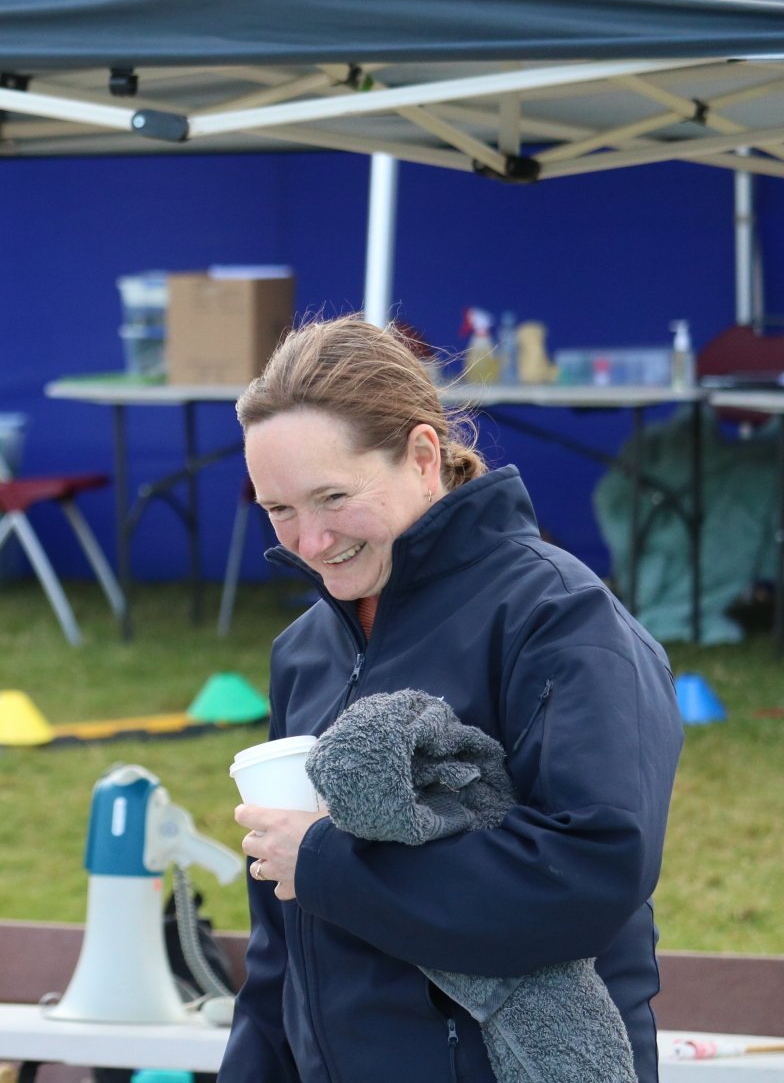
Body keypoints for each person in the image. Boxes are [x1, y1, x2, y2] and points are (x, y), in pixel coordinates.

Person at [221, 315, 683, 1083]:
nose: (308, 541)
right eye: (279, 510)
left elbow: (591, 875)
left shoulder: (562, 618)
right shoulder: (303, 650)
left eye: (332, 496)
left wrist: (330, 865)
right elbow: (283, 942)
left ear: (424, 457)